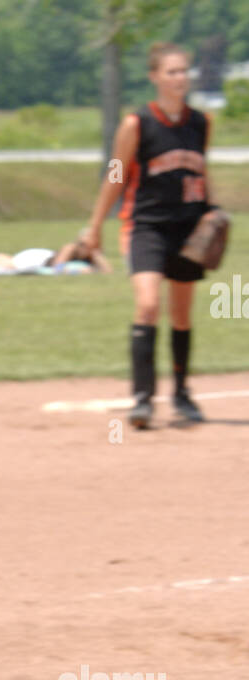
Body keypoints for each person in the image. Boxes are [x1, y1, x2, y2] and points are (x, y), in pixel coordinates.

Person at [81, 42, 218, 428]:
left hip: (188, 228)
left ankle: (182, 395)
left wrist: (213, 210)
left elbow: (200, 173)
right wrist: (94, 226)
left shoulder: (200, 122)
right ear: (154, 77)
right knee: (147, 306)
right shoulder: (137, 123)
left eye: (183, 71)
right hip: (147, 226)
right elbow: (116, 174)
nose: (180, 78)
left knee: (181, 316)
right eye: (171, 71)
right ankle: (142, 400)